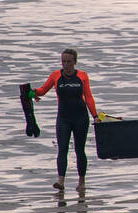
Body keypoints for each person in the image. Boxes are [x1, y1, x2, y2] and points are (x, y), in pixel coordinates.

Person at [31, 47, 99, 192]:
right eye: (63, 61)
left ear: (75, 62)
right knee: (62, 149)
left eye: (69, 62)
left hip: (81, 118)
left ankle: (81, 182)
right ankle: (61, 181)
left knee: (80, 150)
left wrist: (95, 115)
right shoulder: (56, 76)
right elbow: (42, 91)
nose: (66, 64)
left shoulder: (82, 76)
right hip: (63, 118)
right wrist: (30, 92)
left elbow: (88, 97)